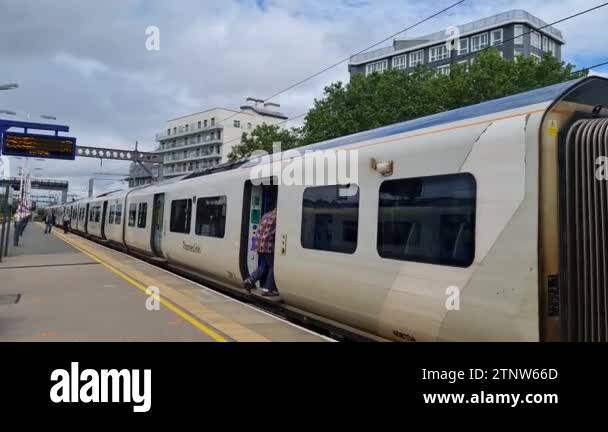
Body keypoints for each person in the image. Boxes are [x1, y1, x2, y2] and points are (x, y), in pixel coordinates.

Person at [243, 206, 278, 296]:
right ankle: (268, 289)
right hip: (269, 247)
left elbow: (259, 230)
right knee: (273, 267)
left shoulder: (265, 215)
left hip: (260, 246)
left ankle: (250, 281)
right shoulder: (277, 216)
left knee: (263, 266)